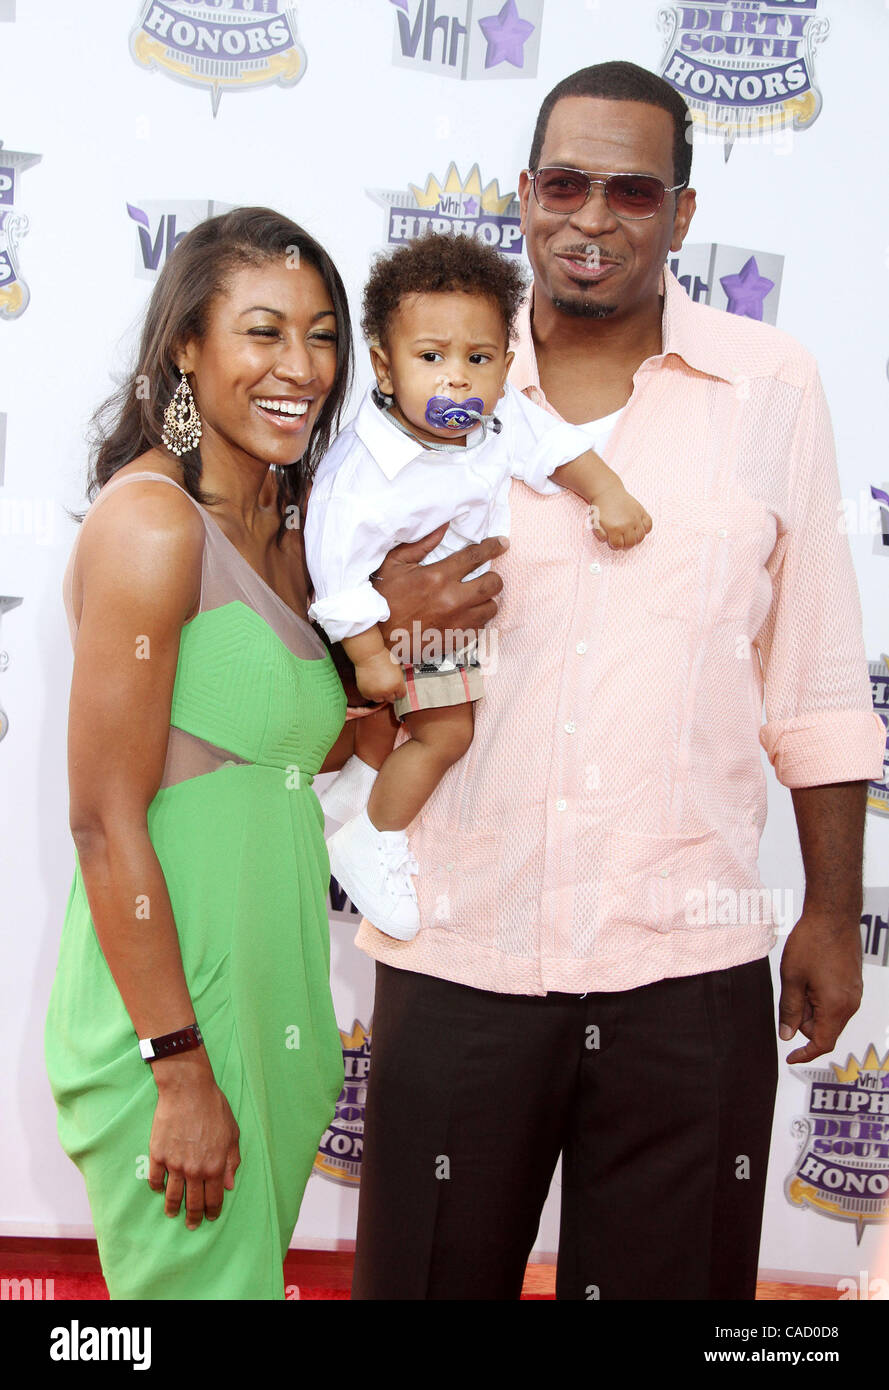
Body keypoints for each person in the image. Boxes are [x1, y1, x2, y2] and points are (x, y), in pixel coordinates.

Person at [349, 63, 886, 1300]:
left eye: (631, 190)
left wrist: (825, 910)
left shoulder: (770, 387)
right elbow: (334, 641)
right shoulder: (426, 385)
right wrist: (392, 627)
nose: (592, 218)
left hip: (682, 973)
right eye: (566, 184)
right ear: (524, 198)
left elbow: (809, 675)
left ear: (682, 213)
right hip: (460, 953)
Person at [44, 207, 367, 1300]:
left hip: (276, 992)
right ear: (187, 345)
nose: (301, 367)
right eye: (264, 333)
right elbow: (103, 819)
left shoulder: (294, 530)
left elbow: (296, 754)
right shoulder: (153, 525)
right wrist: (177, 1066)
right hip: (179, 1018)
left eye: (323, 336)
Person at [305, 233, 650, 941]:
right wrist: (371, 654)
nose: (456, 380)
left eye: (478, 358)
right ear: (384, 366)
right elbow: (334, 572)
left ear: (504, 365)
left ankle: (360, 790)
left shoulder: (498, 422)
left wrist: (608, 493)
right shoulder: (362, 473)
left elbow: (557, 451)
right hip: (397, 628)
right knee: (446, 731)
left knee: (395, 730)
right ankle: (372, 838)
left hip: (449, 620)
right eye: (430, 358)